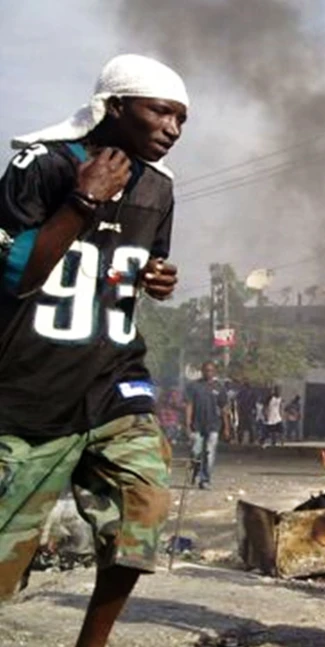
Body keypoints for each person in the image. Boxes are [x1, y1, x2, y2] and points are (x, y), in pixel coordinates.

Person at [0, 54, 186, 647]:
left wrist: (154, 280)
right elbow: (16, 277)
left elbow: (123, 273)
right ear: (114, 107)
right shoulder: (42, 166)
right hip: (29, 388)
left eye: (183, 118)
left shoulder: (159, 189)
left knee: (144, 507)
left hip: (112, 379)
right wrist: (81, 203)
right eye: (160, 111)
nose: (173, 129)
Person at [185, 361, 228, 489]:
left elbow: (224, 408)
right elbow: (189, 405)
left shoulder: (219, 388)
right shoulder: (194, 386)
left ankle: (205, 479)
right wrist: (187, 423)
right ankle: (196, 470)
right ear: (202, 371)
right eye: (206, 370)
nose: (208, 373)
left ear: (214, 372)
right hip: (197, 424)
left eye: (211, 370)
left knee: (209, 452)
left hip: (213, 425)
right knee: (196, 452)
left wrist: (227, 427)